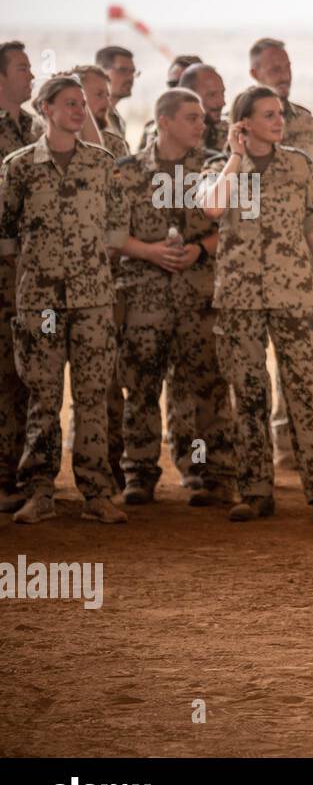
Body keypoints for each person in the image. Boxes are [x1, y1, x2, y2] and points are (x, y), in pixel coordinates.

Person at [200, 86, 313, 526]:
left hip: (293, 295)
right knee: (249, 393)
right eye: (268, 115)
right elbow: (213, 209)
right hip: (240, 300)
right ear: (244, 123)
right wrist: (236, 156)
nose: (280, 121)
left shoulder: (298, 164)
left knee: (304, 393)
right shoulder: (220, 169)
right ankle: (254, 492)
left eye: (280, 115)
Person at [0, 74, 126, 524]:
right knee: (43, 397)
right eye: (70, 103)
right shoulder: (19, 166)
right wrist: (35, 278)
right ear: (46, 109)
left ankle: (96, 492)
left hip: (93, 300)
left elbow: (116, 228)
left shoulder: (101, 162)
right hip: (41, 304)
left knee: (93, 397)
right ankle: (40, 491)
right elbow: (7, 234)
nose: (79, 110)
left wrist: (89, 264)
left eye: (82, 105)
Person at [110, 88, 236, 506]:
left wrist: (200, 249)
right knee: (141, 387)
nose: (203, 125)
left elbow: (236, 228)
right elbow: (109, 232)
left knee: (203, 387)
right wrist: (148, 251)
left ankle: (205, 472)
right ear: (164, 122)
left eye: (202, 117)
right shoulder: (127, 172)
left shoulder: (214, 168)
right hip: (144, 297)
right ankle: (140, 474)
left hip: (199, 297)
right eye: (192, 118)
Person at [246, 37, 313, 469]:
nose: (285, 73)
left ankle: (294, 450)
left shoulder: (306, 122)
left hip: (297, 264)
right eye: (275, 68)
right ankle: (256, 463)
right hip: (243, 276)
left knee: (300, 369)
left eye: (288, 65)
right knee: (248, 376)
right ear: (255, 74)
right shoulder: (238, 127)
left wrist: (302, 212)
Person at [0, 40, 38, 514]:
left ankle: (26, 476)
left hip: (32, 279)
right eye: (23, 68)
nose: (31, 75)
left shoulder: (36, 128)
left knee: (27, 375)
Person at [137, 55, 203, 150]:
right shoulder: (153, 129)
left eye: (185, 84)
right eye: (173, 84)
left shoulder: (224, 131)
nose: (178, 89)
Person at [94, 45, 135, 140]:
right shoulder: (87, 118)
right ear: (102, 72)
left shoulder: (118, 120)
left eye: (132, 72)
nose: (130, 78)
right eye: (123, 70)